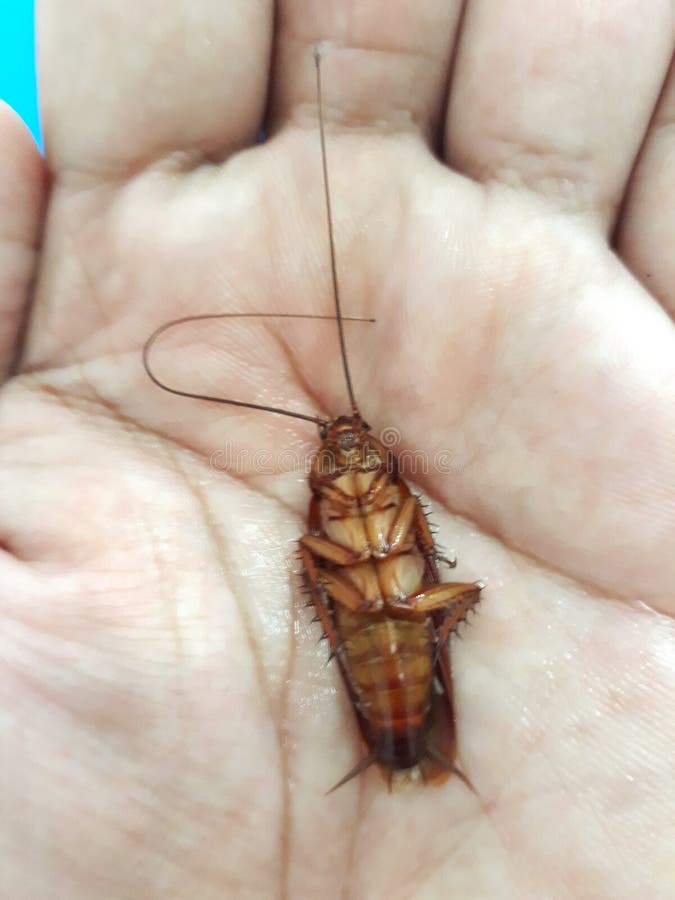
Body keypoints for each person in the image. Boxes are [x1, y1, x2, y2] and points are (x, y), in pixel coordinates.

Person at [1, 2, 673, 897]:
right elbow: (322, 559)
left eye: (362, 451)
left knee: (388, 589)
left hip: (389, 609)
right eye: (340, 457)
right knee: (374, 595)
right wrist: (386, 582)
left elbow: (341, 556)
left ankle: (408, 741)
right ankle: (393, 739)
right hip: (380, 618)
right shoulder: (347, 505)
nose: (352, 464)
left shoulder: (356, 501)